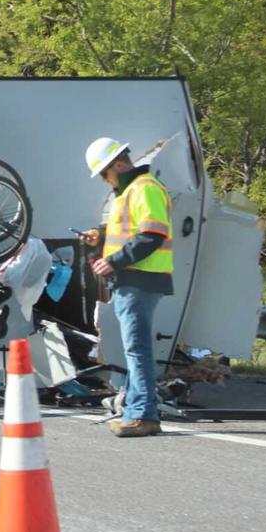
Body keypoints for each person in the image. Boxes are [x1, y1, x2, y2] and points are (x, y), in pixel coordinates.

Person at [79, 137, 174, 438]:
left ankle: (144, 414)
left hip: (139, 278)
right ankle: (136, 410)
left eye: (105, 173)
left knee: (137, 348)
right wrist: (100, 235)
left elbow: (152, 235)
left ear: (118, 164)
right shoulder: (128, 192)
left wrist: (115, 261)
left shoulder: (144, 188)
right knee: (135, 348)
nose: (105, 180)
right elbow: (127, 229)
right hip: (132, 280)